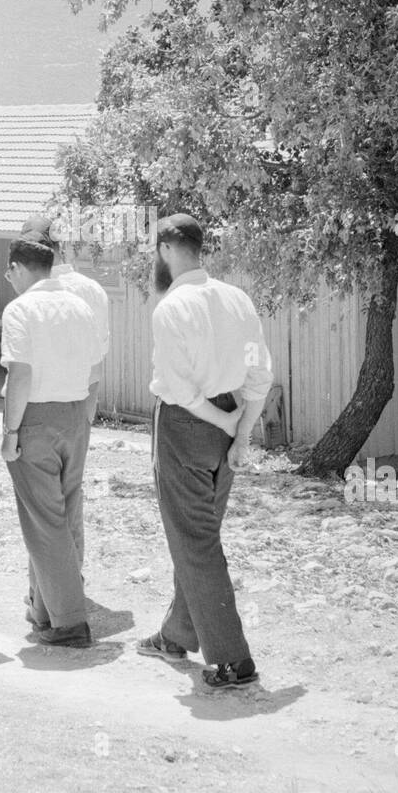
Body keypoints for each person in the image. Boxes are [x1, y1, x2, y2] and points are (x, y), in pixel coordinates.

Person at [140, 213, 273, 690]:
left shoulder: (170, 308)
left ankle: (233, 661)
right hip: (229, 419)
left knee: (194, 540)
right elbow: (260, 374)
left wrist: (227, 424)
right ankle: (176, 634)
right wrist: (241, 432)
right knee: (198, 535)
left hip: (186, 426)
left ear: (166, 250)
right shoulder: (238, 299)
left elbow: (178, 389)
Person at [0, 235, 107, 647]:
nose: (9, 279)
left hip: (36, 418)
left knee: (45, 524)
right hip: (75, 413)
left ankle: (70, 622)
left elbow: (20, 375)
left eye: (9, 271)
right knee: (66, 511)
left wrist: (11, 432)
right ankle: (47, 611)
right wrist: (84, 416)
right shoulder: (81, 306)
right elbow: (95, 369)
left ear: (19, 268)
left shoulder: (20, 309)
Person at [19, 213, 110, 424]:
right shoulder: (93, 290)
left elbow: (21, 367)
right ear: (60, 246)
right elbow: (97, 362)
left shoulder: (31, 292)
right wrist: (87, 420)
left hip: (37, 409)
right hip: (79, 409)